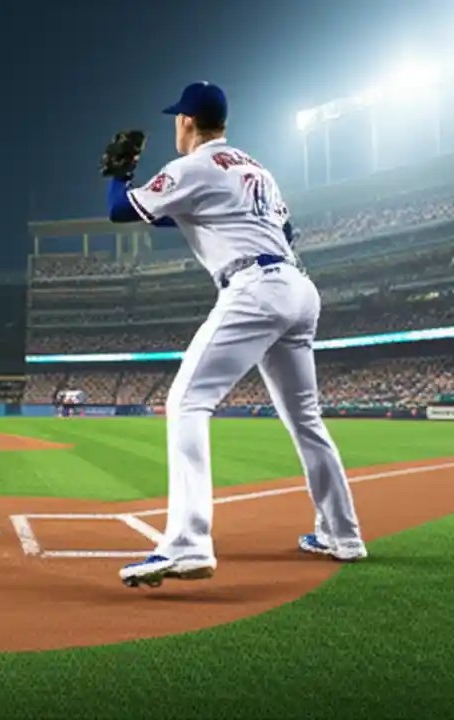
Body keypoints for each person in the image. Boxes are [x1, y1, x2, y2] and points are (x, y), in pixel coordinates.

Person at [102, 82, 366, 589]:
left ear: (186, 122)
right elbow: (281, 232)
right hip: (298, 288)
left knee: (186, 401)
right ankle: (343, 535)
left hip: (254, 287)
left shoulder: (193, 167)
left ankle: (187, 543)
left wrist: (122, 173)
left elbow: (120, 210)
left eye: (176, 119)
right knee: (306, 420)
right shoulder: (255, 167)